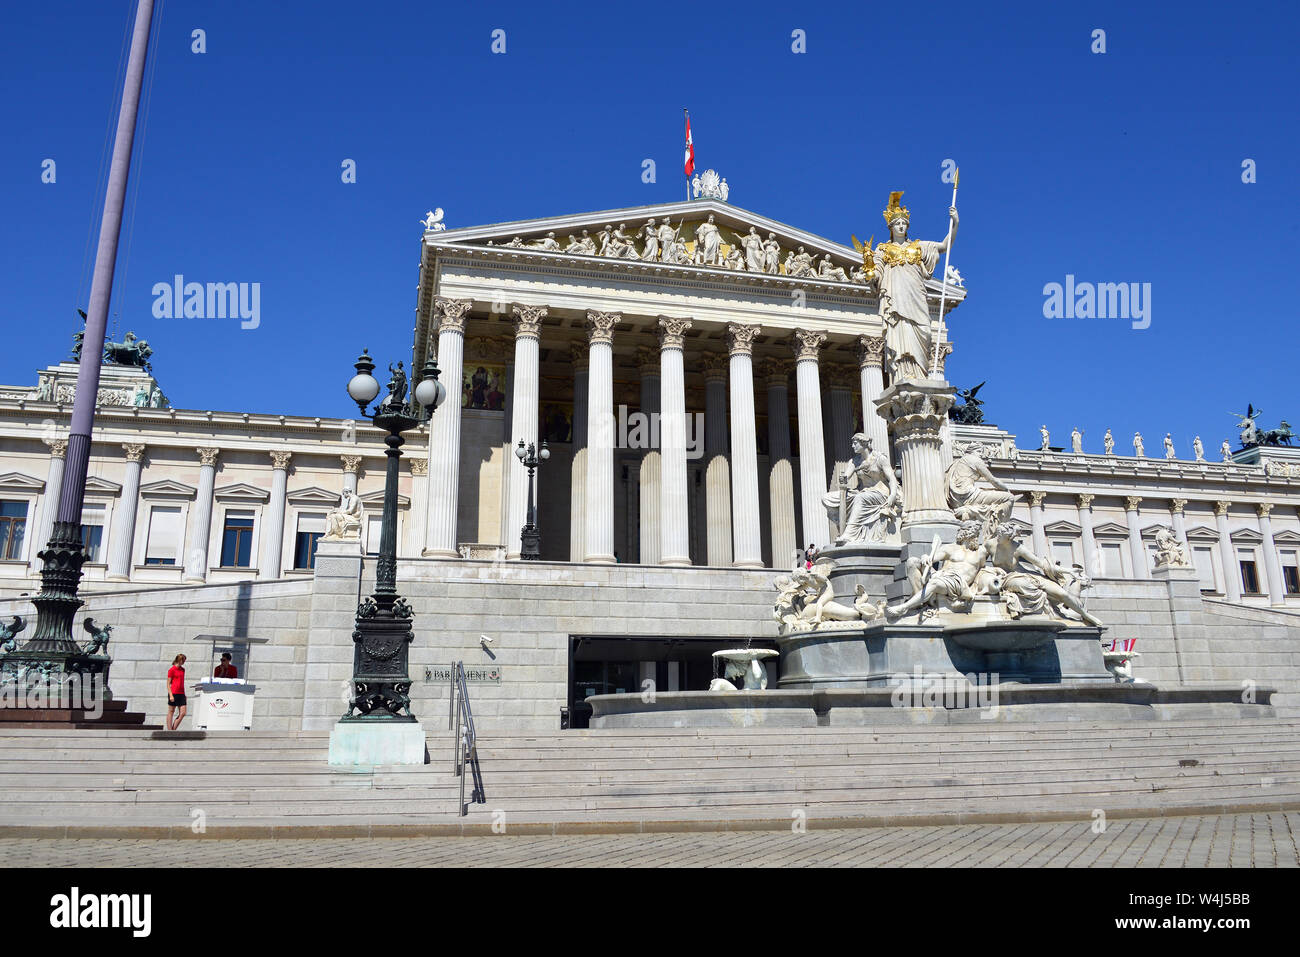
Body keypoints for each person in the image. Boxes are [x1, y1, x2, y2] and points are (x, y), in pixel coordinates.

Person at [166, 654, 188, 730]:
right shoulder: (171, 670)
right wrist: (171, 695)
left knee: (183, 713)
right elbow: (168, 684)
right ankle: (170, 730)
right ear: (179, 660)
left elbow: (182, 682)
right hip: (174, 692)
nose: (184, 662)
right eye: (183, 660)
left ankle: (173, 729)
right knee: (171, 711)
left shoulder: (183, 670)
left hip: (181, 693)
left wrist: (184, 695)